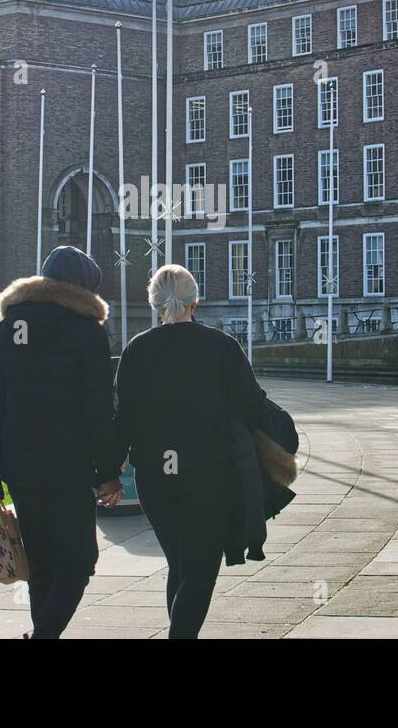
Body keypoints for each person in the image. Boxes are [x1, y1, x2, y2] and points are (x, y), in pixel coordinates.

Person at [115, 264, 269, 639]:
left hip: (155, 478)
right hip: (209, 475)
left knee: (181, 567)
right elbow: (254, 408)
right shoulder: (220, 346)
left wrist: (108, 473)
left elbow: (123, 418)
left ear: (154, 303)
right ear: (195, 300)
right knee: (199, 573)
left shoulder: (137, 349)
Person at [0, 246, 124, 639]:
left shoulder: (7, 328)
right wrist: (109, 473)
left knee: (40, 560)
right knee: (78, 561)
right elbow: (98, 411)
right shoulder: (87, 332)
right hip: (69, 466)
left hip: (20, 466)